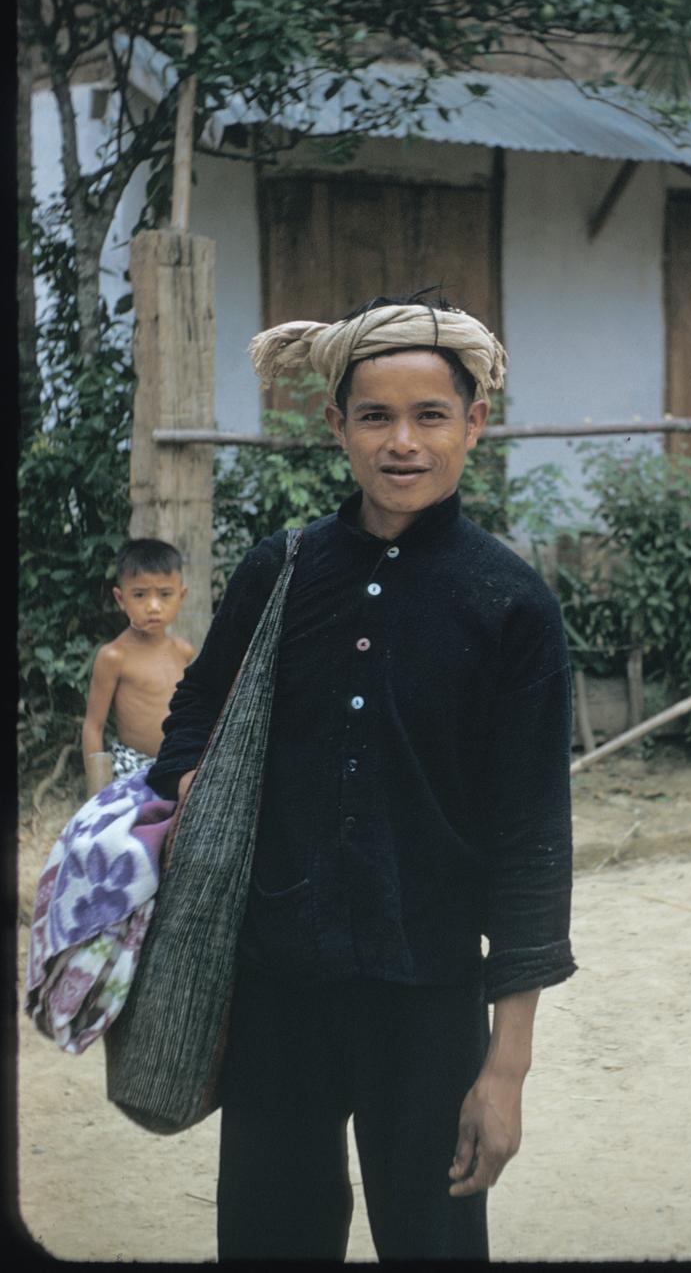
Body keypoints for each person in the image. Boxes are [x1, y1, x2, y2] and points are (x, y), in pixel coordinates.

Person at [146, 293, 577, 1262]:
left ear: (474, 422)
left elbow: (531, 842)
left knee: (432, 1240)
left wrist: (504, 1070)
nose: (402, 442)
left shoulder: (510, 604)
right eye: (375, 416)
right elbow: (194, 714)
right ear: (335, 424)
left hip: (426, 995)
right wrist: (188, 784)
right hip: (274, 984)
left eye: (430, 415)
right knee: (270, 1236)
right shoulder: (282, 570)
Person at [81, 539, 193, 796]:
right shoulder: (113, 656)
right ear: (121, 599)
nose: (153, 606)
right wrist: (97, 793)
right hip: (133, 766)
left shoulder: (183, 651)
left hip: (177, 762)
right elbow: (93, 726)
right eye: (140, 594)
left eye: (165, 594)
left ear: (181, 596)